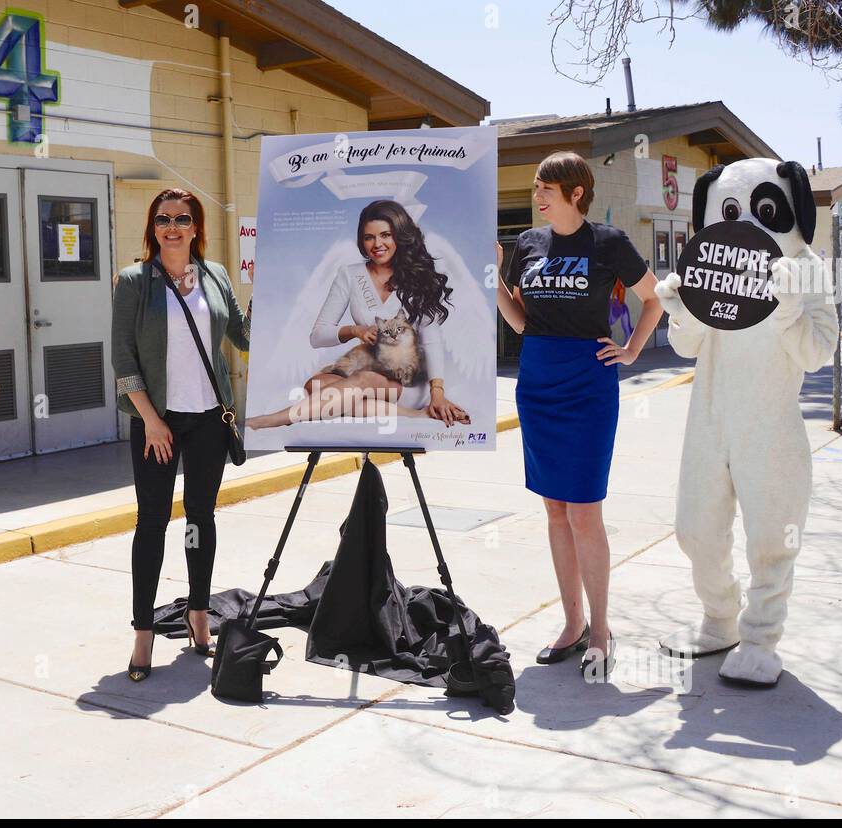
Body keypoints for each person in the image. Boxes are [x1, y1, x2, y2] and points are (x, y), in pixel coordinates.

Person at [495, 151, 663, 680]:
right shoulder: (528, 244)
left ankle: (601, 629)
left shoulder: (608, 242)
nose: (538, 196)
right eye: (536, 188)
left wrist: (633, 349)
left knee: (584, 508)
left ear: (576, 193)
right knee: (553, 508)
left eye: (547, 188)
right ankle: (571, 625)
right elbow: (520, 322)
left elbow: (653, 299)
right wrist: (492, 280)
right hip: (538, 377)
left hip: (587, 383)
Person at [111, 188, 250, 682]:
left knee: (200, 518)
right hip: (157, 422)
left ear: (196, 228)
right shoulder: (133, 281)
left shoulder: (215, 276)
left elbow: (245, 337)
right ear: (152, 228)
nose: (173, 226)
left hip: (210, 418)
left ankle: (198, 613)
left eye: (183, 218)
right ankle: (144, 631)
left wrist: (279, 297)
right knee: (151, 522)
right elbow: (123, 359)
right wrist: (150, 419)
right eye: (163, 219)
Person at [246, 200, 470, 429]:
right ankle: (415, 416)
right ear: (361, 241)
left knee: (361, 382)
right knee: (316, 386)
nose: (377, 244)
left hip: (409, 382)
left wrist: (437, 392)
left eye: (385, 235)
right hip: (369, 375)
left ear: (399, 236)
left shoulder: (418, 278)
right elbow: (318, 336)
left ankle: (273, 419)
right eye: (369, 237)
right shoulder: (350, 275)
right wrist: (355, 330)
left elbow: (432, 341)